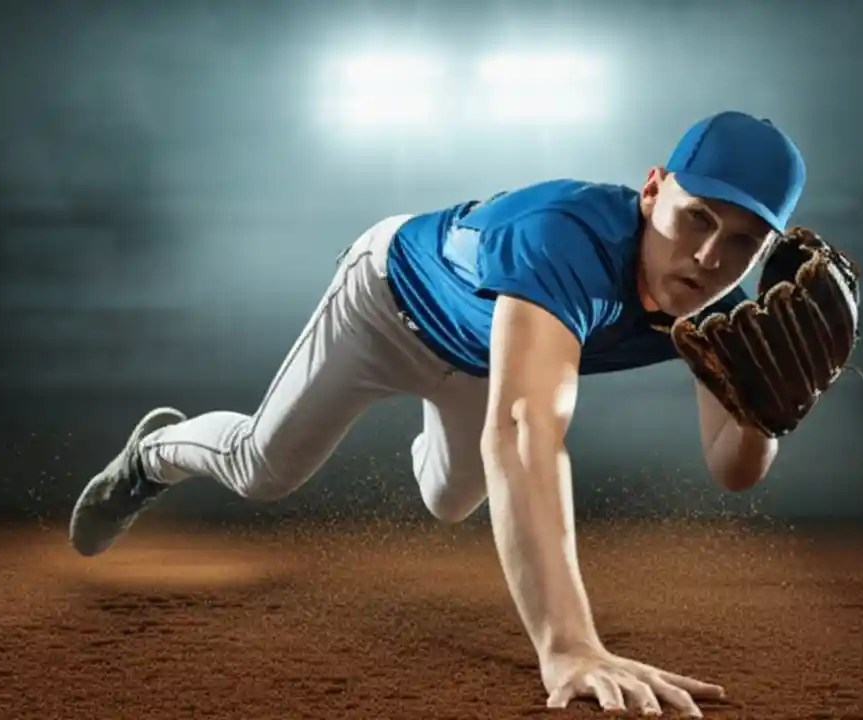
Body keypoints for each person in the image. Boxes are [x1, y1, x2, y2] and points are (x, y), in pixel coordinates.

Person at [69, 110, 807, 717]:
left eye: (742, 242)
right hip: (386, 307)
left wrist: (769, 408)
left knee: (451, 501)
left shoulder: (723, 319)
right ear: (652, 191)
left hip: (492, 354)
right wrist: (569, 644)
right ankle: (152, 453)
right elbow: (521, 432)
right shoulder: (566, 238)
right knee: (263, 469)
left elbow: (732, 469)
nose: (711, 257)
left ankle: (446, 421)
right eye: (697, 217)